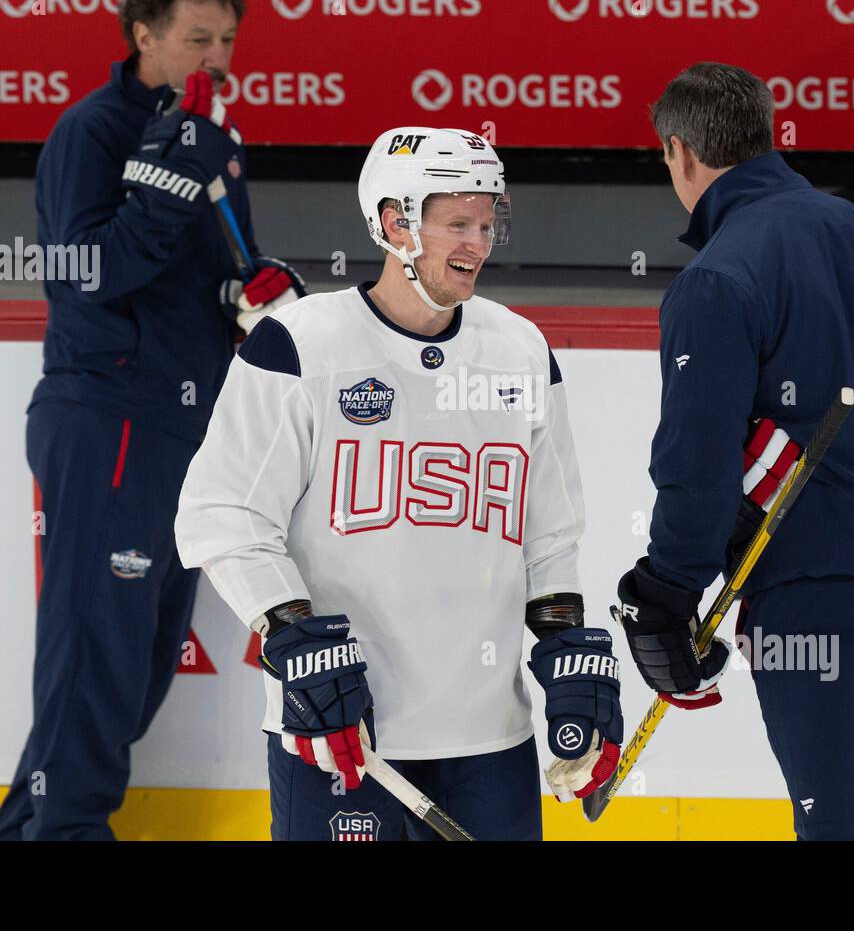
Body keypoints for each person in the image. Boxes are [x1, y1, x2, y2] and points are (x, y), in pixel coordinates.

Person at [175, 127, 622, 841]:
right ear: (394, 222)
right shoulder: (300, 345)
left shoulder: (521, 350)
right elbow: (223, 515)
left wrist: (565, 649)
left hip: (489, 745)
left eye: (486, 222)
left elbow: (549, 534)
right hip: (341, 735)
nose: (476, 243)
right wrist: (291, 636)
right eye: (456, 224)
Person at [612, 62, 854, 840]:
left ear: (678, 153)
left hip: (817, 593)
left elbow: (697, 460)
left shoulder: (717, 278)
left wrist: (667, 592)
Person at [0, 0, 301, 840]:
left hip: (183, 428)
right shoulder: (92, 132)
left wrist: (253, 291)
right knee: (96, 654)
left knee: (135, 663)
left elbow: (190, 270)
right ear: (145, 36)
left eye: (228, 41)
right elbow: (79, 275)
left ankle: (35, 833)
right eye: (197, 38)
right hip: (109, 419)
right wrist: (170, 182)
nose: (217, 55)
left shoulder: (205, 133)